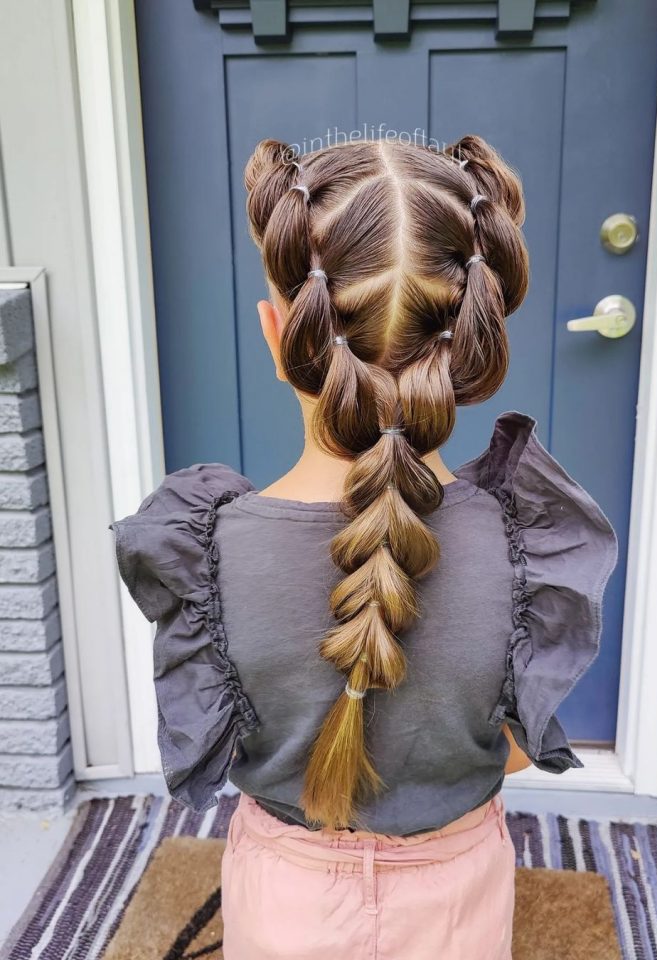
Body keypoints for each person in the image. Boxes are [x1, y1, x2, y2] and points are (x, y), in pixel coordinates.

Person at [109, 134, 618, 959]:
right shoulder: (527, 544)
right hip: (457, 897)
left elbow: (214, 739)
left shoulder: (204, 551)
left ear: (280, 337)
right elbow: (519, 751)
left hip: (284, 899)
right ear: (472, 346)